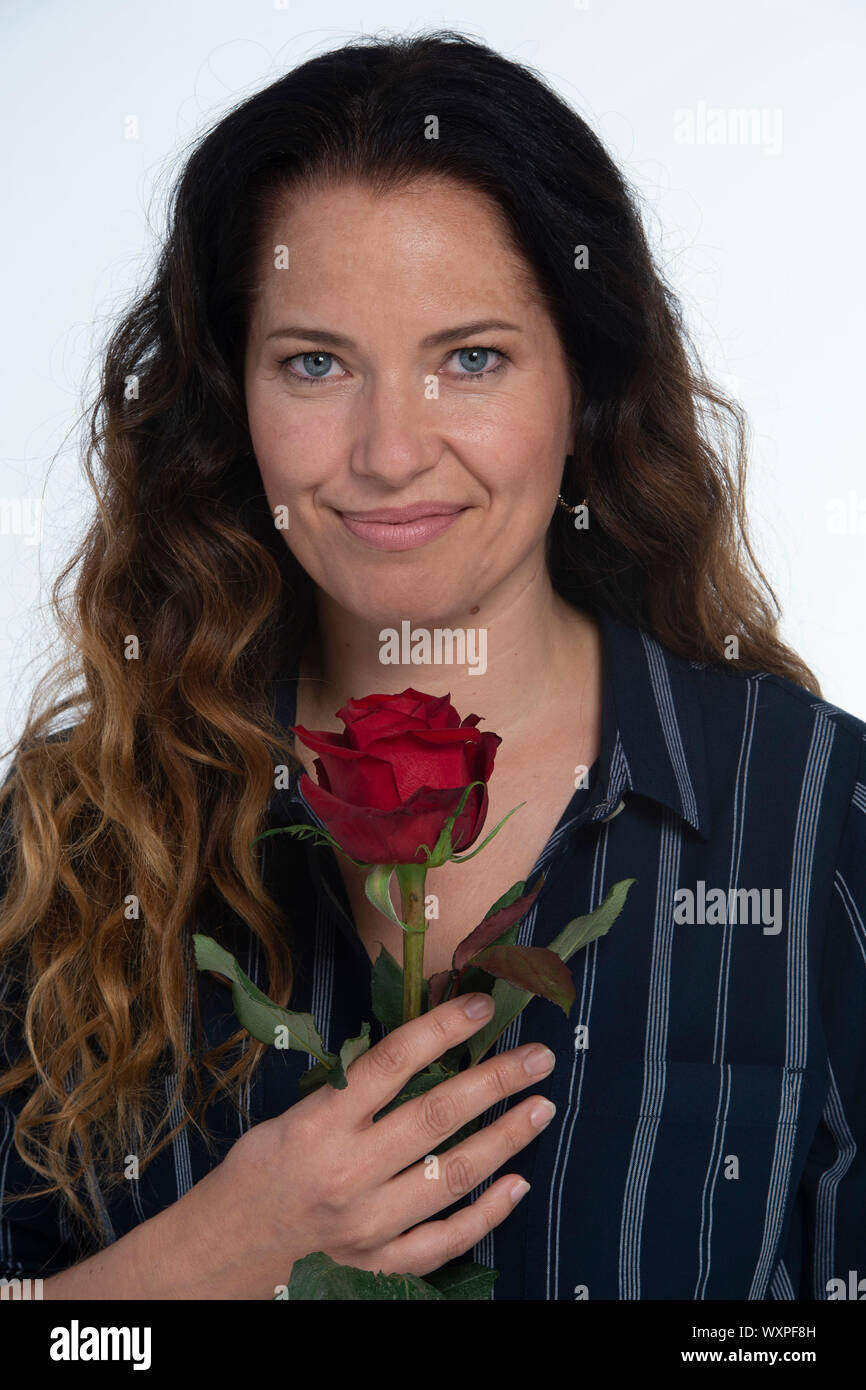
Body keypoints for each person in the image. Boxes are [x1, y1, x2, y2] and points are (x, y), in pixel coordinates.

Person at [1, 31, 864, 1302]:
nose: (389, 450)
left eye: (470, 358)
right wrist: (205, 1261)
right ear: (229, 399)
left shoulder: (822, 821)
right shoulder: (74, 838)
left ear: (583, 389)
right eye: (314, 363)